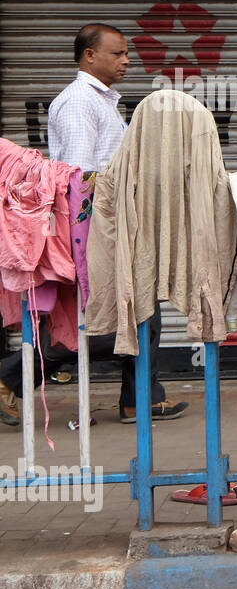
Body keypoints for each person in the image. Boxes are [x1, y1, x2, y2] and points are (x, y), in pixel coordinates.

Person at [0, 23, 188, 426]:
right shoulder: (79, 103)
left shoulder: (102, 101)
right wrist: (93, 240)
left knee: (141, 310)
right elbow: (80, 179)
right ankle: (11, 376)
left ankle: (140, 400)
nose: (126, 61)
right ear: (90, 56)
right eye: (117, 53)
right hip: (96, 229)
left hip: (115, 225)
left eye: (126, 54)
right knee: (103, 319)